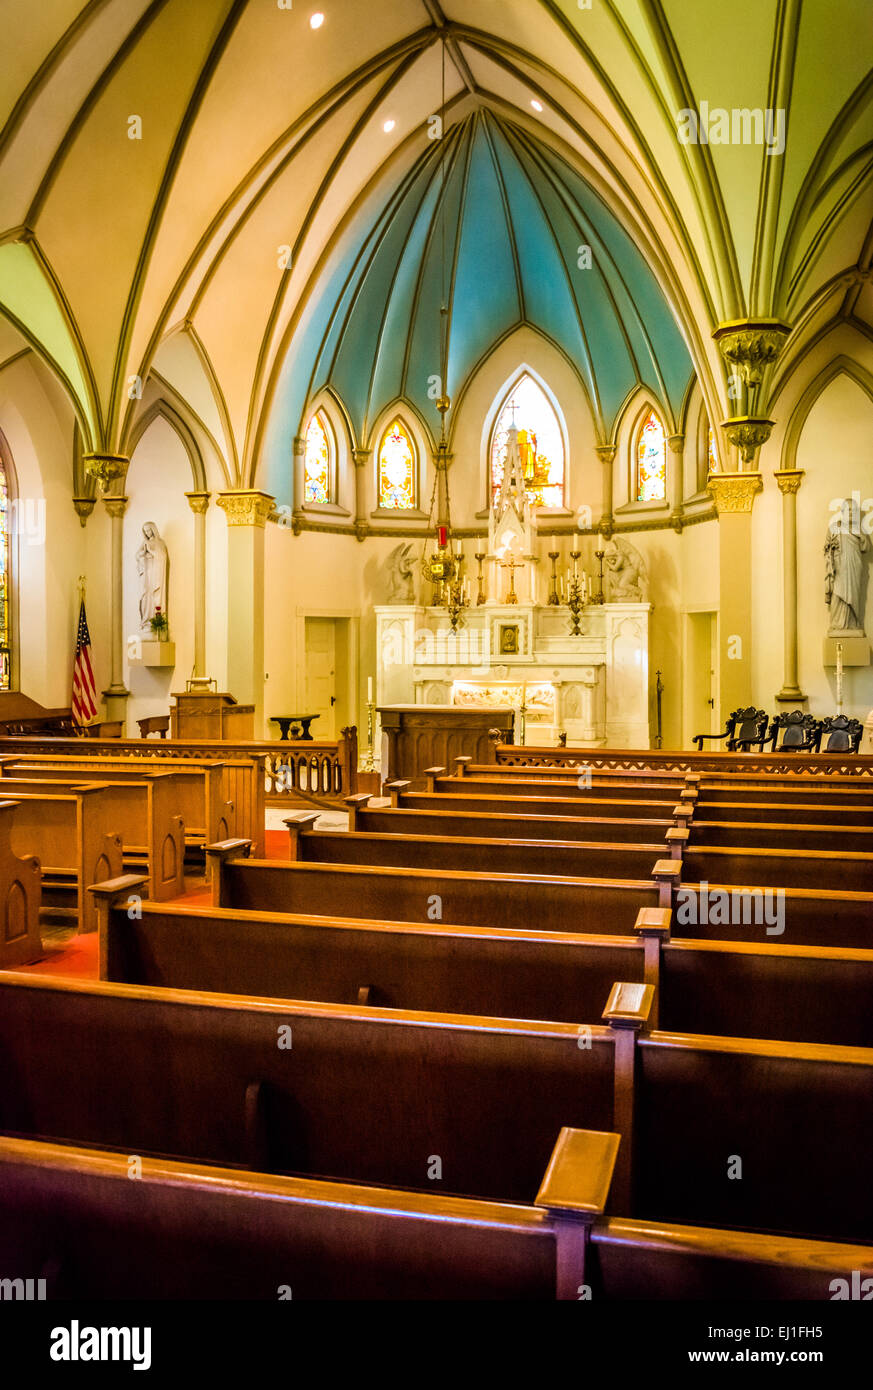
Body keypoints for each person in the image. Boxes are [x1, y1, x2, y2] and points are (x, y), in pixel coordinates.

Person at [824, 501, 868, 633]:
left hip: (855, 566)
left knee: (854, 596)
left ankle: (853, 624)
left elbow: (866, 547)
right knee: (838, 595)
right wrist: (830, 549)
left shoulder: (858, 529)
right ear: (842, 512)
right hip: (839, 568)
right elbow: (826, 548)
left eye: (853, 511)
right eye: (848, 510)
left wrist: (860, 536)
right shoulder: (834, 528)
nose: (850, 513)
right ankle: (837, 624)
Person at [136, 522, 169, 632]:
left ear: (153, 529)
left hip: (155, 572)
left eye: (148, 530)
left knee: (154, 595)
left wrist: (151, 551)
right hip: (146, 572)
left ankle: (155, 621)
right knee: (145, 596)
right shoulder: (144, 542)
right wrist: (141, 555)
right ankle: (145, 620)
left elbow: (162, 556)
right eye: (145, 531)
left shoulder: (160, 543)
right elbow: (137, 555)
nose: (147, 533)